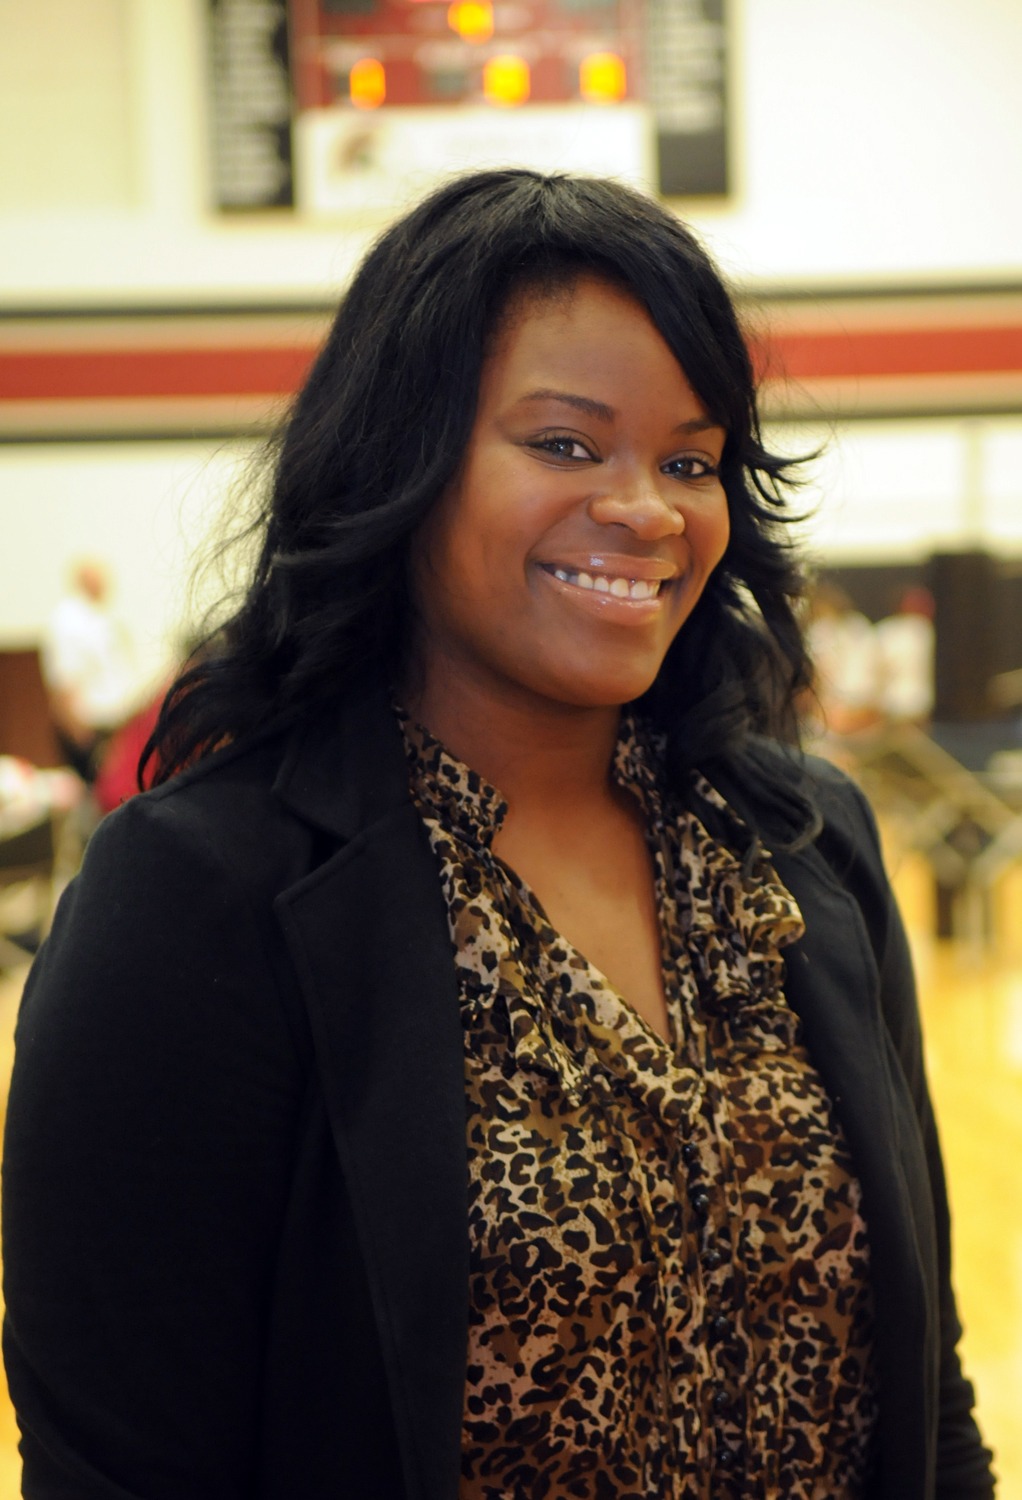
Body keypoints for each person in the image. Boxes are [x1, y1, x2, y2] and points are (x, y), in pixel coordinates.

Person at [2, 171, 994, 1500]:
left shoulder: (806, 845)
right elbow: (123, 1469)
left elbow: (924, 1393)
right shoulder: (199, 897)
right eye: (565, 444)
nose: (646, 509)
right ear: (400, 462)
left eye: (689, 459)